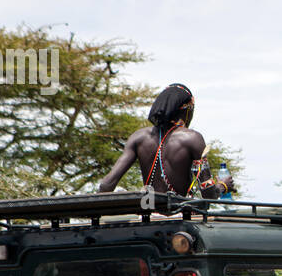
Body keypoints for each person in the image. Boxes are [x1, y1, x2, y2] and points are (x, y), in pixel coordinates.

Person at [98, 83, 235, 198]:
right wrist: (223, 186)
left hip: (147, 216)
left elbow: (106, 185)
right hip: (179, 218)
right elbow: (209, 193)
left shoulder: (138, 137)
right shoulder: (192, 138)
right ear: (188, 109)